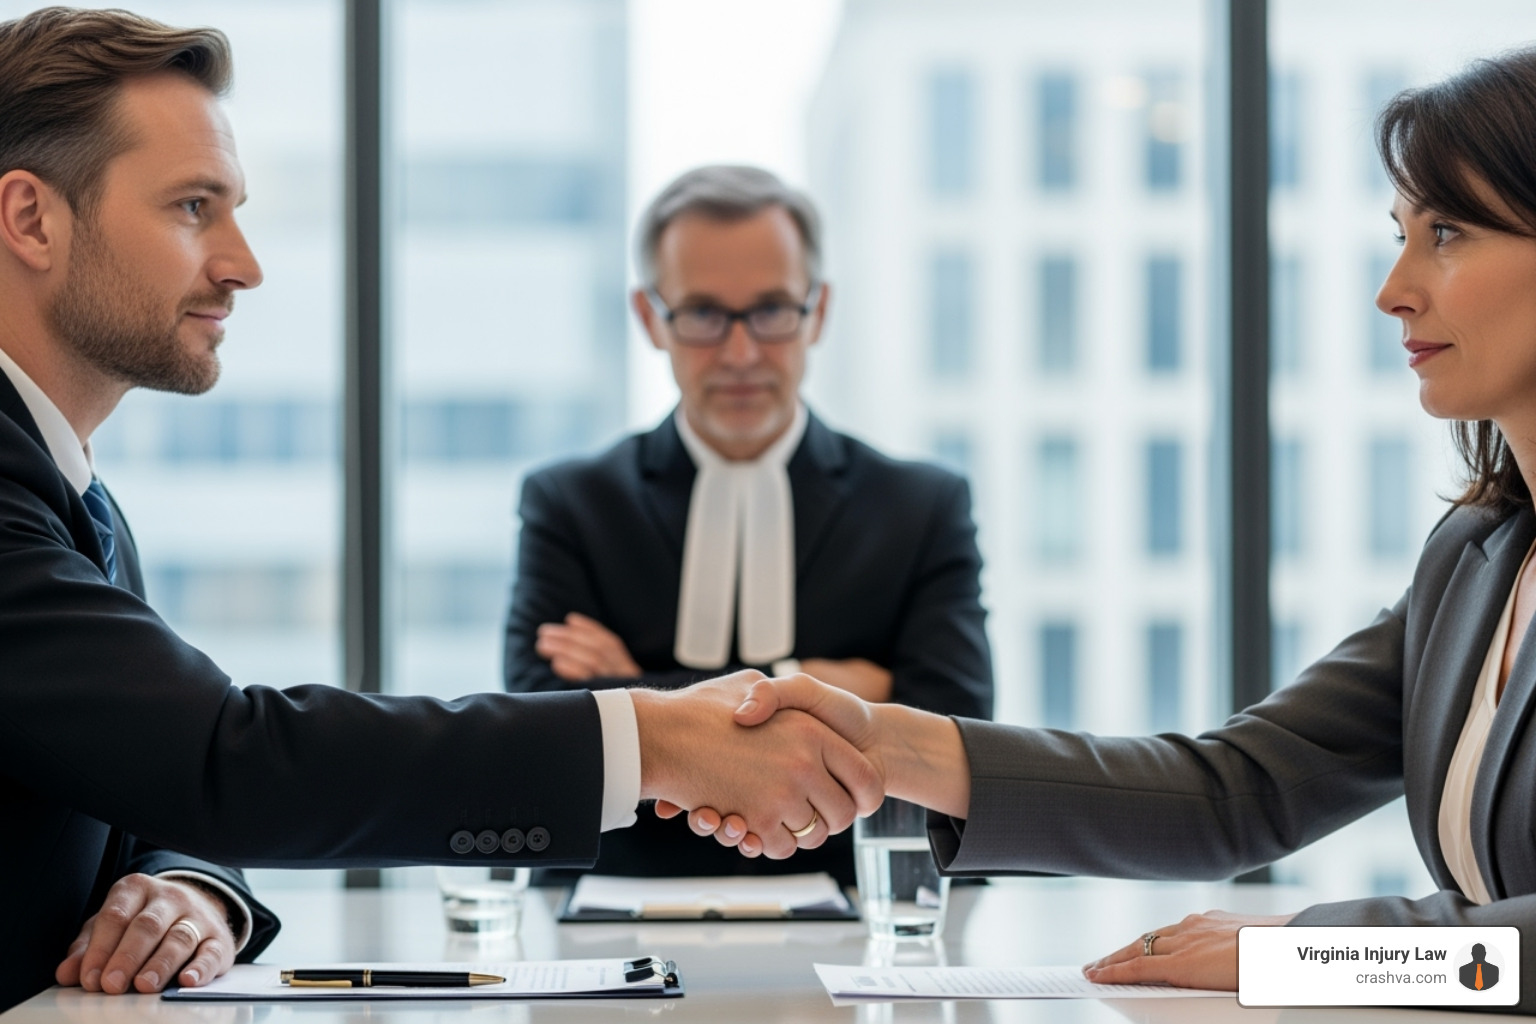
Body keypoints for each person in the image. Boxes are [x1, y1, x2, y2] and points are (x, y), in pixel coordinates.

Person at [0, 9, 880, 1011]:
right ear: (32, 219)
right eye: (194, 207)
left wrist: (195, 888)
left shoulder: (79, 496)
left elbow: (143, 774)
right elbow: (220, 758)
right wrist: (662, 735)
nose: (244, 263)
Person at [672, 47, 1536, 1015]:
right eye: (1400, 234)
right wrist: (881, 741)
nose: (1392, 289)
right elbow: (1237, 790)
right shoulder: (1473, 561)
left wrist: (1311, 952)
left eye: (1446, 232)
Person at [503, 165, 993, 882]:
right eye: (703, 313)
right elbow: (541, 737)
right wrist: (828, 684)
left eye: (771, 311)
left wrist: (632, 689)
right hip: (613, 901)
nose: (740, 352)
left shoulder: (921, 506)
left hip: (861, 901)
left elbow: (957, 732)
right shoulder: (570, 502)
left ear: (818, 311)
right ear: (649, 317)